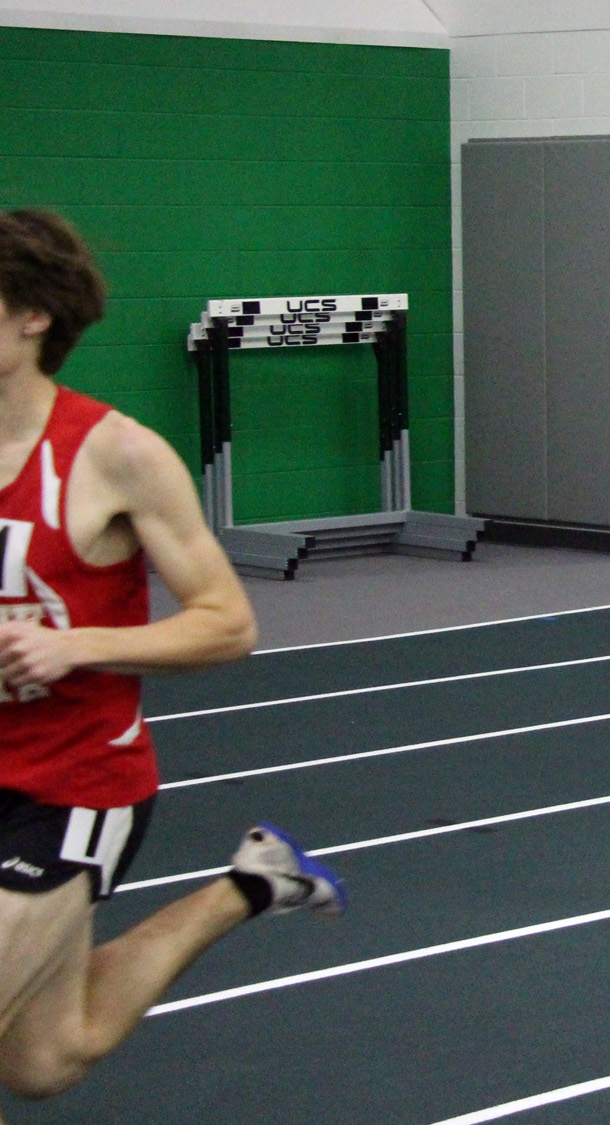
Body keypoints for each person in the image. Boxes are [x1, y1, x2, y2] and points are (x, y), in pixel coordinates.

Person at [0, 209, 342, 1113]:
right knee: (44, 1059)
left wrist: (74, 643)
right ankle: (253, 884)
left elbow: (228, 623)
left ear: (33, 315)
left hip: (68, 788)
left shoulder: (114, 456)